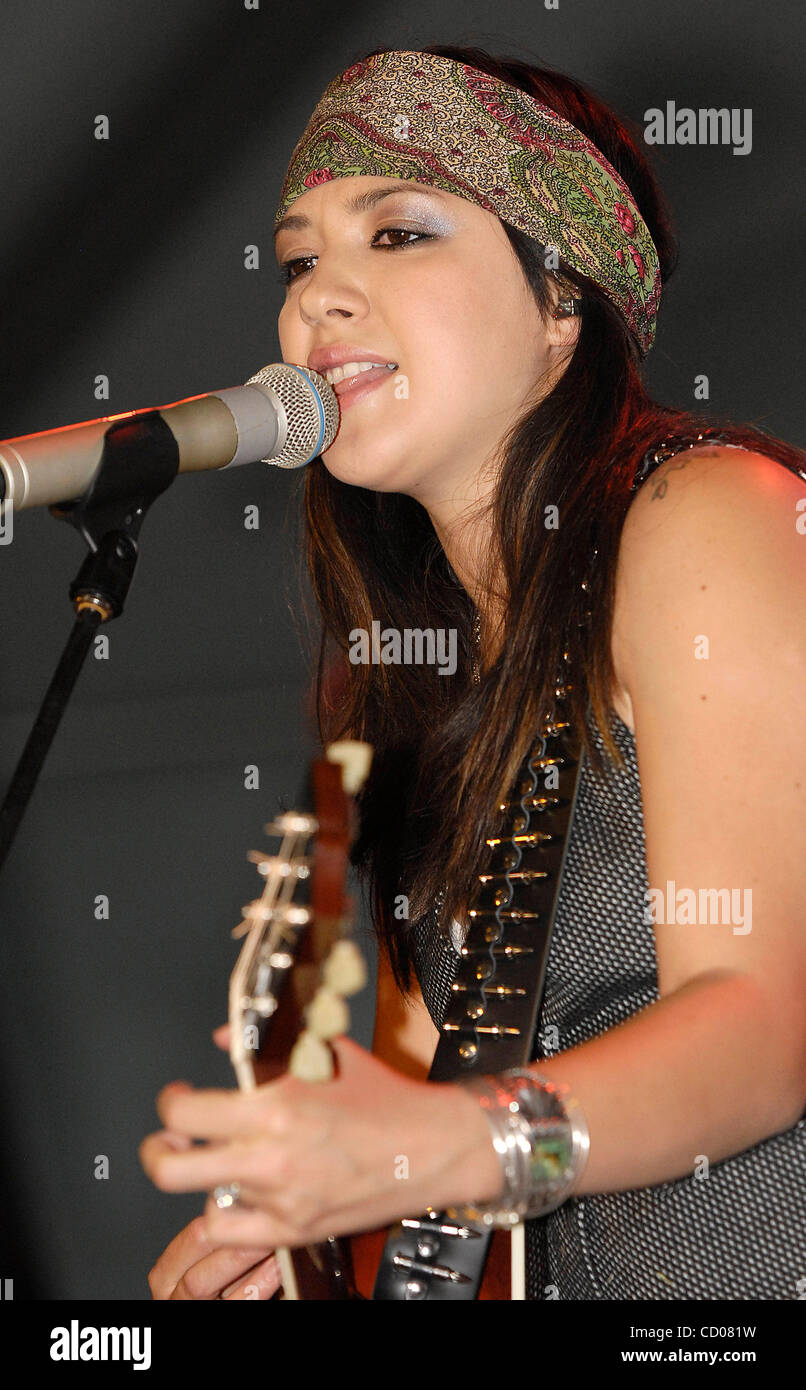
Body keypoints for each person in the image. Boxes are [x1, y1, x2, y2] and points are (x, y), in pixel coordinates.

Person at [140, 44, 806, 1301]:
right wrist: (317, 1232)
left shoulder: (712, 513)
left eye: (394, 234)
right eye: (296, 261)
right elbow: (461, 1136)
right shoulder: (402, 687)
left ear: (563, 299)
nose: (312, 302)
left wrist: (444, 1143)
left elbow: (763, 1035)